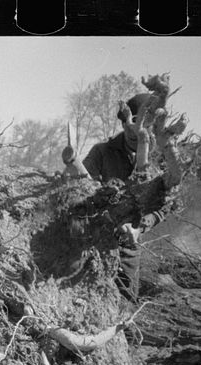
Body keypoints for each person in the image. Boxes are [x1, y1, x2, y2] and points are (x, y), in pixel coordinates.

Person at [70, 93, 166, 302]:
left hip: (128, 248)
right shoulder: (102, 151)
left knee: (125, 306)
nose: (135, 132)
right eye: (129, 125)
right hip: (93, 242)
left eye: (144, 126)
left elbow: (164, 207)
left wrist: (139, 228)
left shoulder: (161, 161)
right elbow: (82, 189)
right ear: (123, 123)